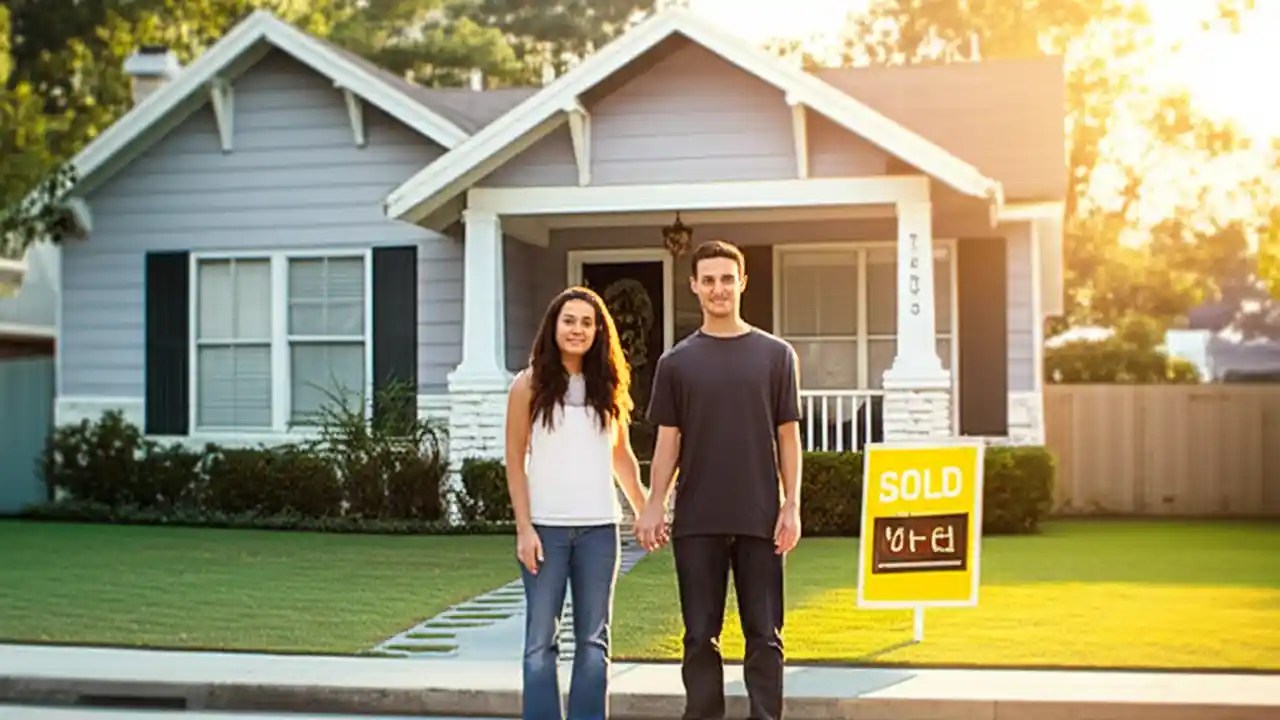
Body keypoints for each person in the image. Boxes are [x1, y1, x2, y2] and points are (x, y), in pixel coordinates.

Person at [635, 240, 803, 720]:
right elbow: (668, 442)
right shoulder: (676, 363)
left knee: (765, 635)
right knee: (698, 637)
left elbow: (788, 436)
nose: (718, 289)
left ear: (742, 282)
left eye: (727, 278)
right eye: (708, 280)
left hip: (760, 518)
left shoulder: (776, 355)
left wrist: (791, 504)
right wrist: (653, 503)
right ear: (694, 286)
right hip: (697, 520)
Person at [504, 286, 649, 720]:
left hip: (600, 532)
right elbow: (514, 458)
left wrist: (645, 509)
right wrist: (524, 528)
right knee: (540, 644)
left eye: (587, 323)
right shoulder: (527, 385)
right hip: (545, 531)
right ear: (553, 326)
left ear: (598, 331)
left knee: (592, 643)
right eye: (569, 320)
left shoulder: (608, 387)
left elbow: (620, 455)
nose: (577, 330)